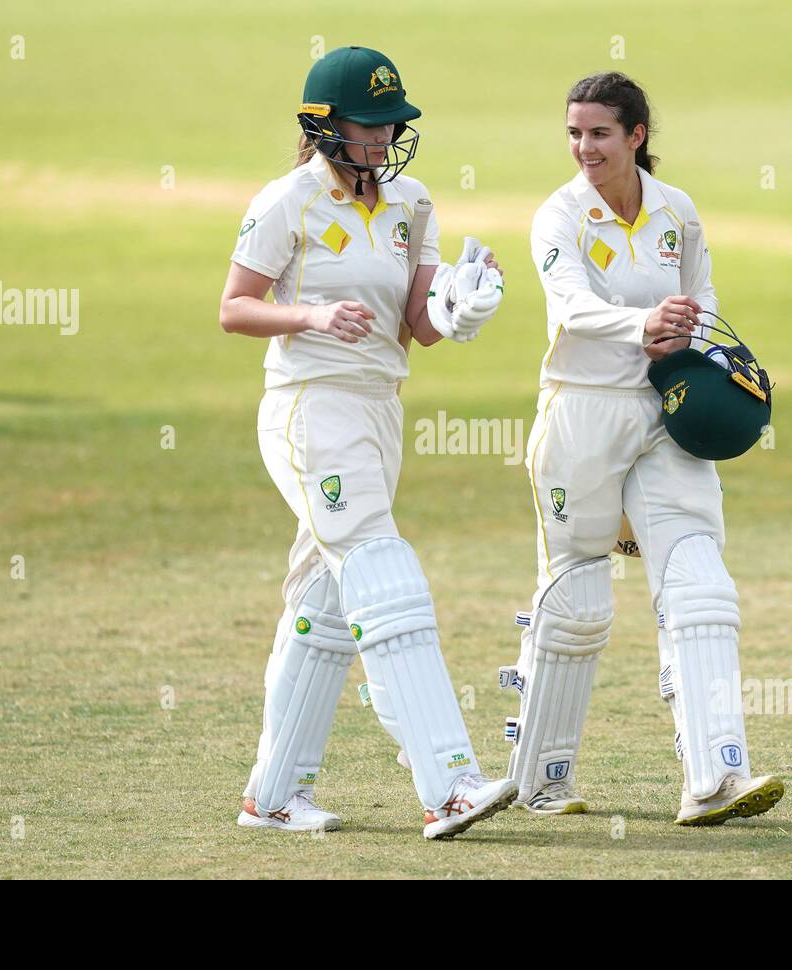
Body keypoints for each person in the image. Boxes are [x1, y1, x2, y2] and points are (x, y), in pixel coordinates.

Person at [218, 45, 514, 839]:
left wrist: (460, 310)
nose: (384, 138)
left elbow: (416, 327)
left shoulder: (412, 202)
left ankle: (273, 796)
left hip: (380, 410)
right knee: (383, 572)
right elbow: (236, 308)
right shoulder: (289, 202)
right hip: (309, 408)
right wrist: (310, 316)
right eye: (369, 123)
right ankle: (450, 784)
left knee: (327, 600)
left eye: (393, 124)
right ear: (324, 126)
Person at [499, 72, 785, 825]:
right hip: (582, 414)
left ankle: (716, 776)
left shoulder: (676, 211)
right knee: (578, 602)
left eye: (598, 132)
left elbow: (705, 295)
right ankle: (540, 780)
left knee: (698, 578)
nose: (583, 147)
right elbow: (571, 307)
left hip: (665, 405)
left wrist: (691, 338)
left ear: (637, 136)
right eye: (573, 133)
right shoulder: (557, 215)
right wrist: (644, 325)